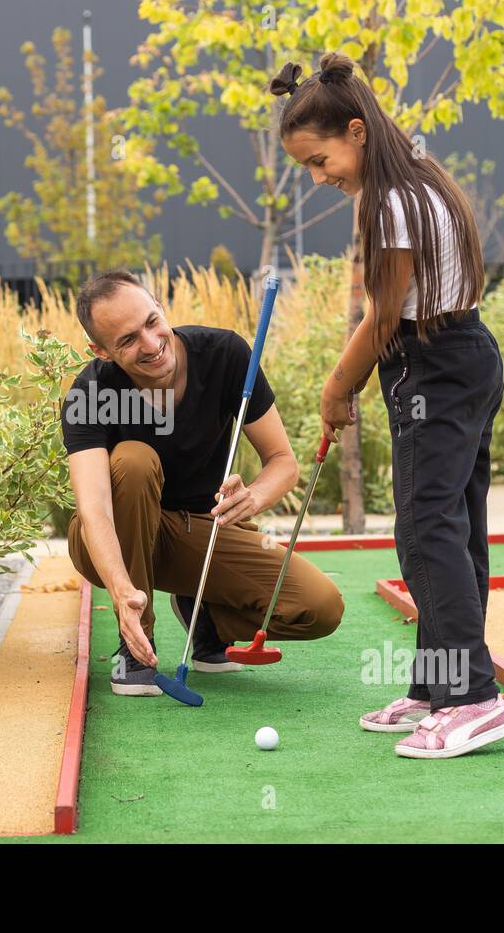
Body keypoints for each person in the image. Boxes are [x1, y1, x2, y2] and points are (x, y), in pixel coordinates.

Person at [271, 53, 504, 758]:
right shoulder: (420, 180)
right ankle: (439, 684)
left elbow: (381, 318)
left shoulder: (389, 201)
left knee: (425, 530)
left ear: (356, 131)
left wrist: (333, 387)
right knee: (452, 526)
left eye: (320, 161)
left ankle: (473, 698)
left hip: (432, 365)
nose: (320, 178)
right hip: (461, 355)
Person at [61, 271, 344, 695]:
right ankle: (135, 642)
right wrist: (121, 593)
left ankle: (208, 615)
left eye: (152, 322)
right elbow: (94, 508)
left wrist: (253, 498)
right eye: (127, 341)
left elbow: (283, 462)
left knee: (318, 607)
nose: (152, 344)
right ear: (100, 351)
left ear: (160, 305)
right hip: (112, 540)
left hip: (197, 532)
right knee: (134, 461)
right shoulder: (91, 392)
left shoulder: (225, 354)